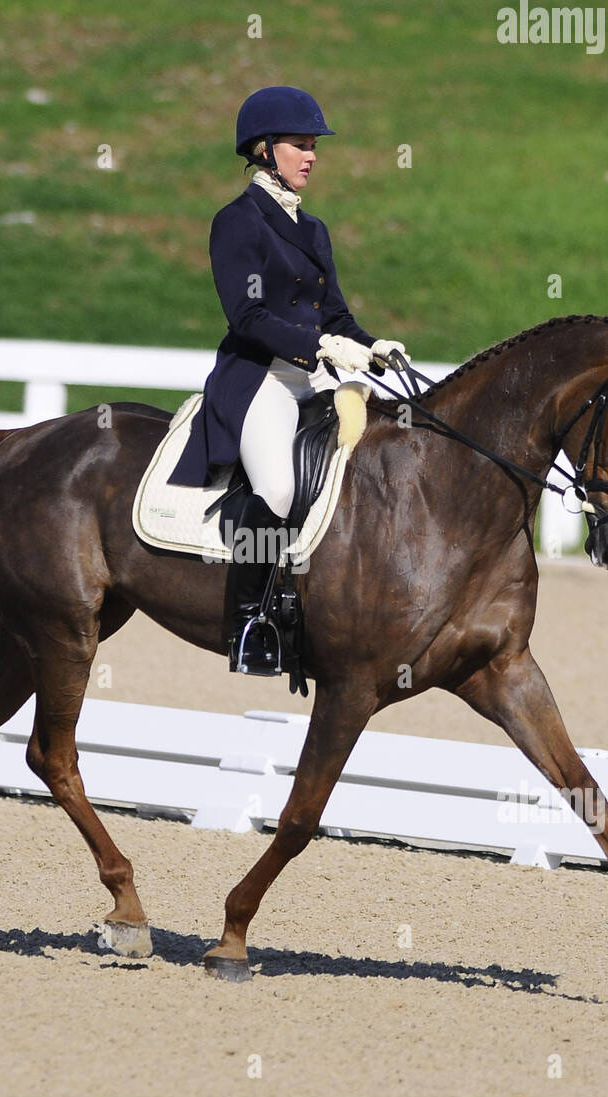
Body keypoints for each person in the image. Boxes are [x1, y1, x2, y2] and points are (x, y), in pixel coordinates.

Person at [168, 85, 409, 675]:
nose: (312, 155)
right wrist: (320, 345)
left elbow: (337, 314)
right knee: (276, 488)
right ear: (263, 149)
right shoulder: (236, 223)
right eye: (301, 145)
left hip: (314, 379)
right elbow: (247, 318)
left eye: (313, 146)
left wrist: (371, 344)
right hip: (260, 381)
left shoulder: (315, 229)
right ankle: (250, 622)